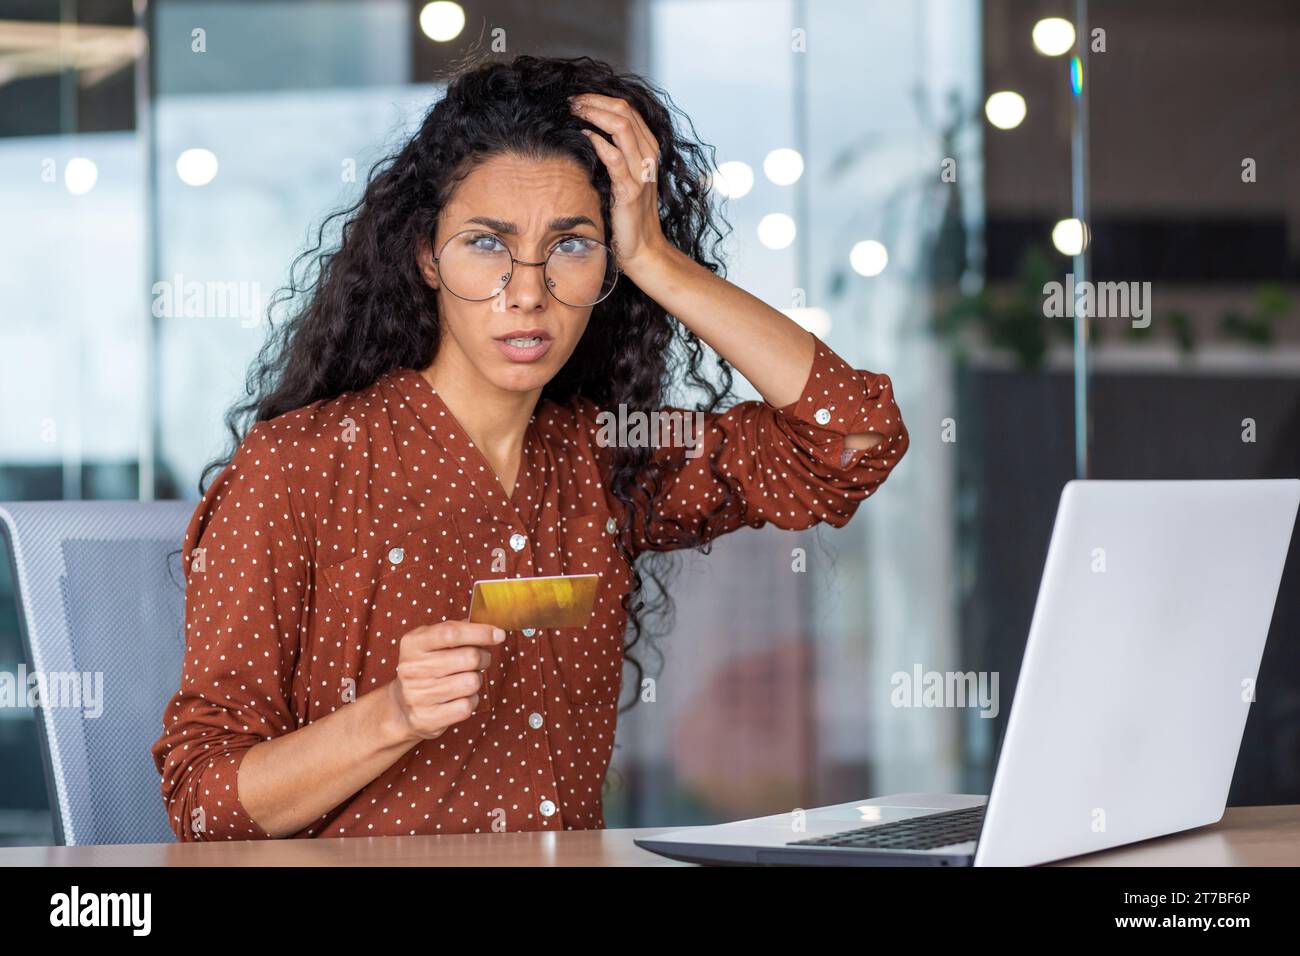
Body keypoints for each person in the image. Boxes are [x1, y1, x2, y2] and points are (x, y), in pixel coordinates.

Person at [150, 54, 909, 841]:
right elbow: (203, 808)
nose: (528, 290)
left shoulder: (608, 457)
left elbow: (850, 439)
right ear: (425, 256)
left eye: (573, 245)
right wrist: (393, 716)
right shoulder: (297, 467)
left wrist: (656, 258)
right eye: (486, 243)